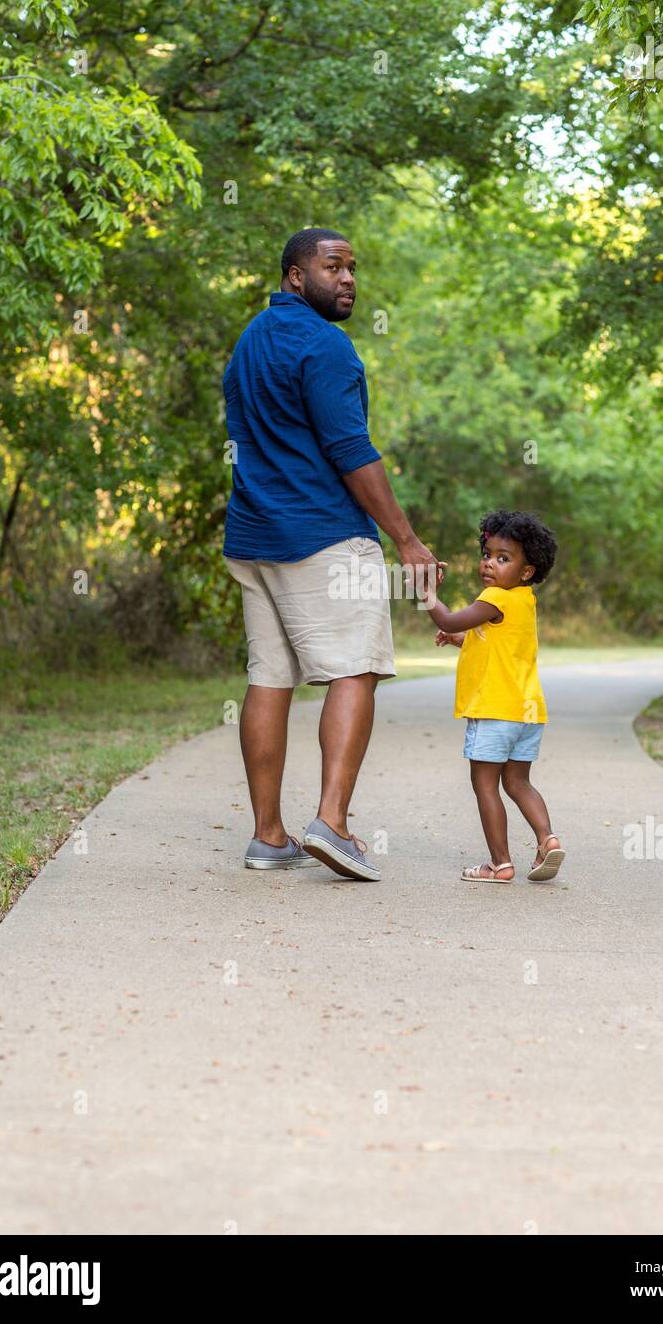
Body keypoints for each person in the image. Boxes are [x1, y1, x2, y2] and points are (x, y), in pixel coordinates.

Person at [222, 227, 442, 882]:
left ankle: (269, 836)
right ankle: (334, 824)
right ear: (296, 276)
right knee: (355, 671)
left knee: (269, 679)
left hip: (254, 537)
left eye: (352, 268)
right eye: (332, 267)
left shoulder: (249, 342)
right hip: (322, 536)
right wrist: (406, 540)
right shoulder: (327, 346)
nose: (347, 279)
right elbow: (352, 452)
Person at [421, 509, 564, 883]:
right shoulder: (523, 601)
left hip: (494, 711)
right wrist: (460, 641)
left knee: (485, 786)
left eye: (504, 558)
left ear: (527, 570)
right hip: (527, 713)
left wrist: (427, 594)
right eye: (488, 555)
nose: (489, 564)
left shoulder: (495, 597)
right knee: (518, 783)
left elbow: (449, 619)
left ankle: (499, 864)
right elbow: (492, 644)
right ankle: (547, 840)